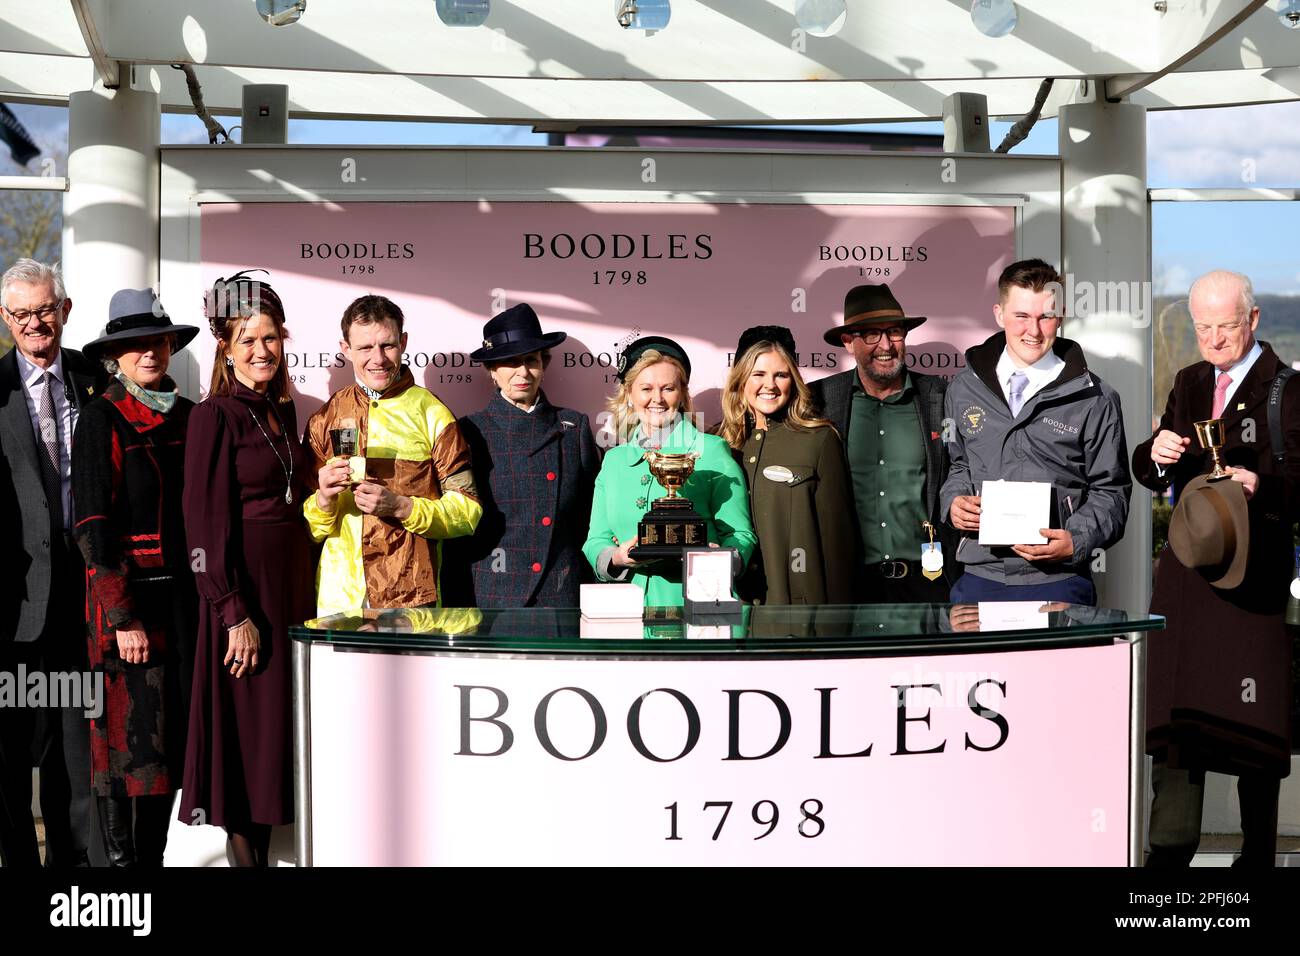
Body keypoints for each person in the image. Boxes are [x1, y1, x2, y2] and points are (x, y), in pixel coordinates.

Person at [1134, 269, 1300, 867]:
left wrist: (1265, 485)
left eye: (1224, 326)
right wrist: (1153, 453)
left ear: (1252, 320)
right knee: (1180, 724)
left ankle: (1256, 858)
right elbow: (1152, 470)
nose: (1212, 339)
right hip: (1186, 578)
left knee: (1253, 722)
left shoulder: (1289, 389)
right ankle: (1169, 862)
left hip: (1253, 585)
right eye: (1202, 327)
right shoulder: (1188, 380)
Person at [180, 271, 315, 867]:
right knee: (244, 748)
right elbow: (203, 530)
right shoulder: (215, 416)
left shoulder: (284, 415)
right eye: (246, 340)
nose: (262, 351)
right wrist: (232, 612)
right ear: (226, 348)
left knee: (270, 749)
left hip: (289, 596)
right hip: (243, 601)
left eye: (270, 338)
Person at [72, 289, 199, 866]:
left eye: (157, 341)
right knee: (128, 754)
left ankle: (152, 870)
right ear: (113, 357)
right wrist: (121, 616)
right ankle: (126, 887)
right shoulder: (101, 418)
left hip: (182, 609)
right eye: (134, 345)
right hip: (128, 614)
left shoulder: (192, 417)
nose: (149, 352)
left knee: (169, 752)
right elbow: (93, 523)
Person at [940, 258, 1131, 606]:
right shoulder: (963, 388)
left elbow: (1112, 490)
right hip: (980, 577)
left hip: (1059, 581)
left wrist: (1076, 539)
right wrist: (953, 503)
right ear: (999, 314)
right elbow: (958, 467)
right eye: (1022, 316)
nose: (1034, 330)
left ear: (1061, 315)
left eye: (1046, 316)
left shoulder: (1096, 397)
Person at [0, 258, 100, 867]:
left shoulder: (97, 381)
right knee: (10, 751)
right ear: (5, 319)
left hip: (84, 592)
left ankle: (76, 883)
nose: (35, 323)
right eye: (21, 314)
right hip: (13, 606)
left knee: (77, 750)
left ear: (64, 310)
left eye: (45, 310)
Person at [304, 295, 481, 614]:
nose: (378, 358)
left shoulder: (433, 413)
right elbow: (309, 529)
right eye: (365, 348)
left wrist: (402, 507)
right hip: (339, 602)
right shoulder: (324, 418)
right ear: (346, 350)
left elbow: (468, 511)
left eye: (387, 345)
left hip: (411, 602)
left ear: (403, 341)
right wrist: (324, 502)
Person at [442, 303, 600, 608]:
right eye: (510, 362)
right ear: (492, 371)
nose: (523, 372)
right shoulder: (468, 430)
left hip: (561, 593)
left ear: (544, 365)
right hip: (491, 592)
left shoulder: (574, 426)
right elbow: (458, 532)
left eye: (531, 360)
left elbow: (588, 519)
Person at [583, 335, 756, 607]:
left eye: (668, 388)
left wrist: (722, 558)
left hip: (702, 603)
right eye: (646, 388)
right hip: (627, 608)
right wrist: (617, 558)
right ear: (629, 394)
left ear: (683, 394)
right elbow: (596, 540)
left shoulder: (711, 450)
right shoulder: (614, 461)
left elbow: (741, 534)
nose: (657, 399)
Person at [811, 284, 957, 602]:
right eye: (872, 335)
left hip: (929, 584)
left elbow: (964, 471)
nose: (886, 345)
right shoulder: (818, 400)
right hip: (847, 586)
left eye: (894, 332)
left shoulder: (942, 398)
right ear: (848, 342)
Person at [719, 325, 854, 605]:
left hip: (795, 616)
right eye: (758, 374)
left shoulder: (819, 439)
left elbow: (838, 546)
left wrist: (837, 627)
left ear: (793, 381)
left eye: (780, 375)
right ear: (741, 378)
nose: (770, 385)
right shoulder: (717, 445)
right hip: (728, 612)